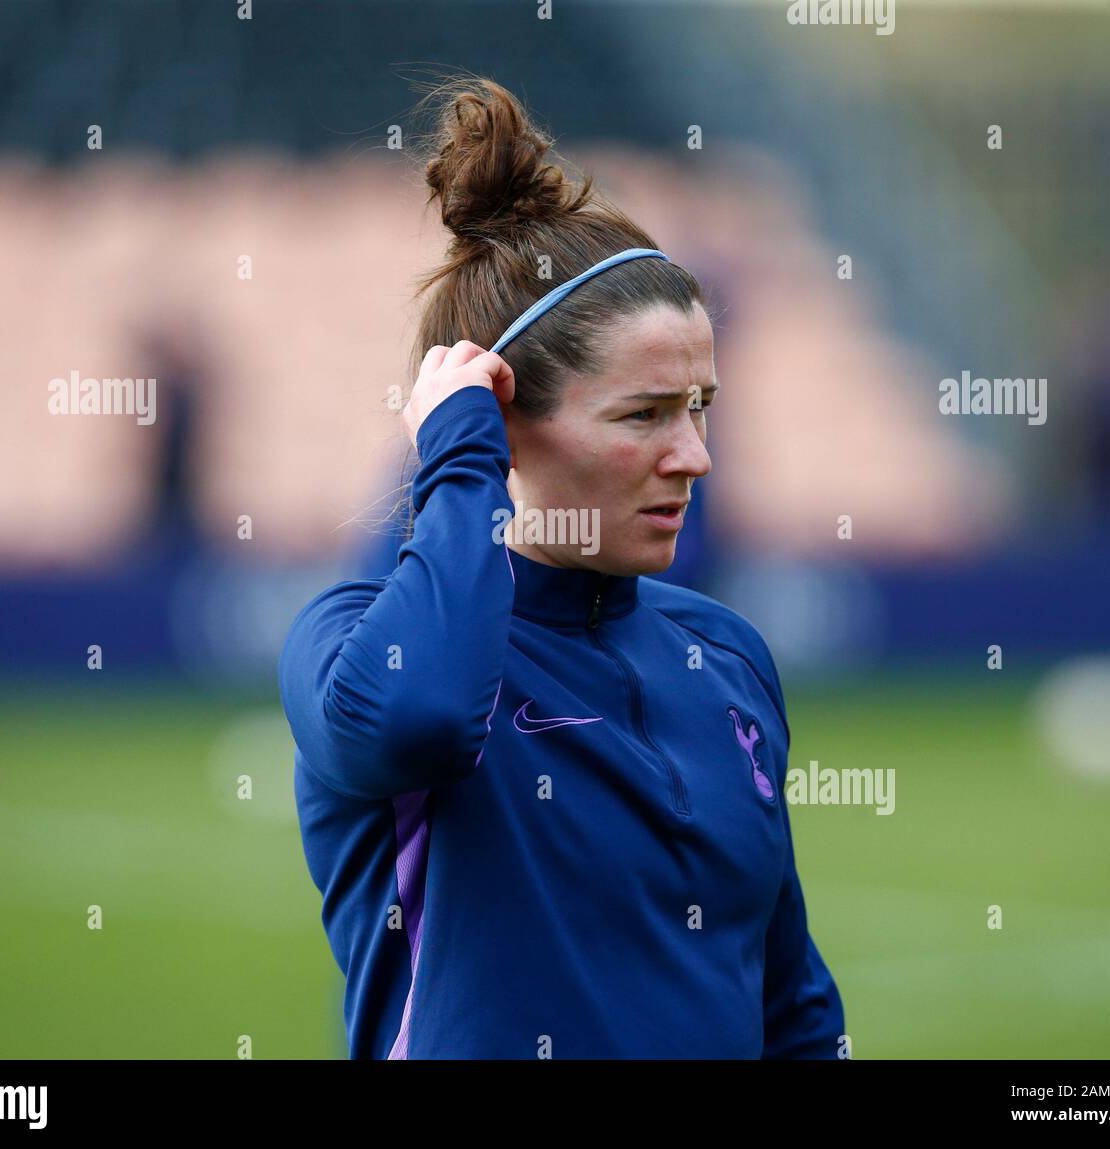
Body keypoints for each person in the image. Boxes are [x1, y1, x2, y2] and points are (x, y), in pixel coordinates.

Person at [279, 76, 844, 1059]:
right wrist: (458, 463)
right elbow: (418, 724)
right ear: (497, 423)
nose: (694, 457)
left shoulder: (724, 652)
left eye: (699, 406)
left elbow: (790, 1002)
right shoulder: (352, 642)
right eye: (644, 415)